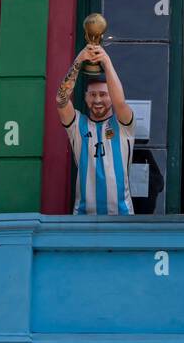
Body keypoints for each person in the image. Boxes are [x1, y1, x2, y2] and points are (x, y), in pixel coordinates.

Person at [55, 21, 136, 215]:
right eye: (92, 95)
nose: (98, 100)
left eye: (103, 94)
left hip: (121, 217)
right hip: (83, 218)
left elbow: (120, 102)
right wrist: (79, 61)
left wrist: (106, 62)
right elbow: (61, 99)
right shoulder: (78, 125)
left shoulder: (122, 123)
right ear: (85, 97)